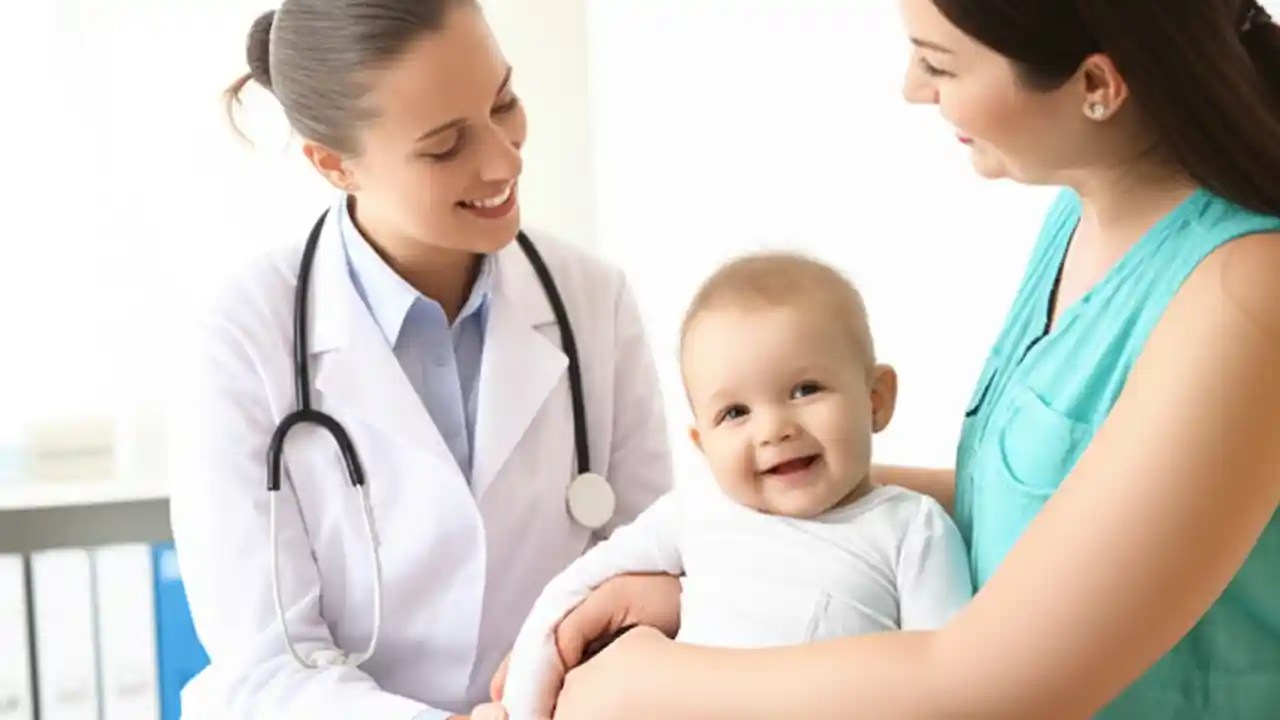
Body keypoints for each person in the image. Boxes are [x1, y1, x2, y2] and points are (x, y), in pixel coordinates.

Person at [489, 0, 1280, 717]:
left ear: (1096, 84)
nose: (911, 87)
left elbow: (992, 688)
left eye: (938, 63)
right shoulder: (1088, 216)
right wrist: (742, 552)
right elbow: (1036, 502)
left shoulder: (1244, 292)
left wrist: (648, 685)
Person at [167, 1, 672, 718]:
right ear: (334, 163)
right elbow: (268, 666)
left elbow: (650, 577)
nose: (506, 158)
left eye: (505, 102)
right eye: (444, 146)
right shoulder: (243, 336)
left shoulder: (593, 301)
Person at [485, 253, 972, 719]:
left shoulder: (912, 529)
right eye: (735, 412)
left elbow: (954, 690)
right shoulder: (695, 511)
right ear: (703, 444)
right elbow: (567, 598)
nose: (773, 429)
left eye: (806, 390)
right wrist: (526, 709)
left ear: (876, 400)